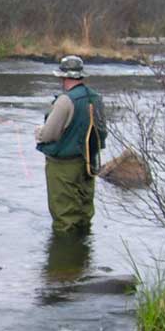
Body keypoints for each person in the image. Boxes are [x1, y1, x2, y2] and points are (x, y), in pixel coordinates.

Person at [35, 55, 105, 233]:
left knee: (64, 218)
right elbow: (102, 131)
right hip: (89, 162)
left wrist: (38, 132)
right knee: (83, 213)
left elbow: (49, 134)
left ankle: (64, 257)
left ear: (63, 77)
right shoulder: (95, 98)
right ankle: (83, 255)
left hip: (63, 167)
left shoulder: (65, 101)